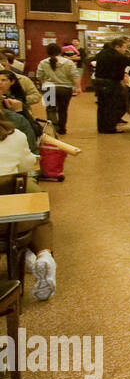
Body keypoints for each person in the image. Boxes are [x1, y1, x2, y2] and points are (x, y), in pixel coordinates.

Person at [0, 117, 58, 300]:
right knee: (38, 212)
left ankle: (30, 258)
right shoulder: (16, 136)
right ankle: (43, 254)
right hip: (11, 223)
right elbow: (27, 166)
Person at [91, 36, 130, 133]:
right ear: (117, 47)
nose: (125, 50)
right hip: (111, 83)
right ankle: (110, 127)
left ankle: (102, 127)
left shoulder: (102, 52)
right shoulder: (118, 56)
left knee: (102, 106)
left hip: (99, 81)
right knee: (116, 104)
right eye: (124, 47)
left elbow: (91, 60)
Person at [36, 43, 78, 135]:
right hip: (65, 89)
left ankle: (53, 128)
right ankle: (62, 128)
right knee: (63, 109)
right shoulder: (68, 62)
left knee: (50, 109)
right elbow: (74, 76)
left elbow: (39, 76)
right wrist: (78, 88)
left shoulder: (43, 63)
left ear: (47, 52)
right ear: (60, 51)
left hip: (48, 88)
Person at [0, 68, 44, 135]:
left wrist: (21, 101)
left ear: (12, 82)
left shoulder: (23, 80)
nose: (0, 83)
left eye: (3, 80)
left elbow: (36, 96)